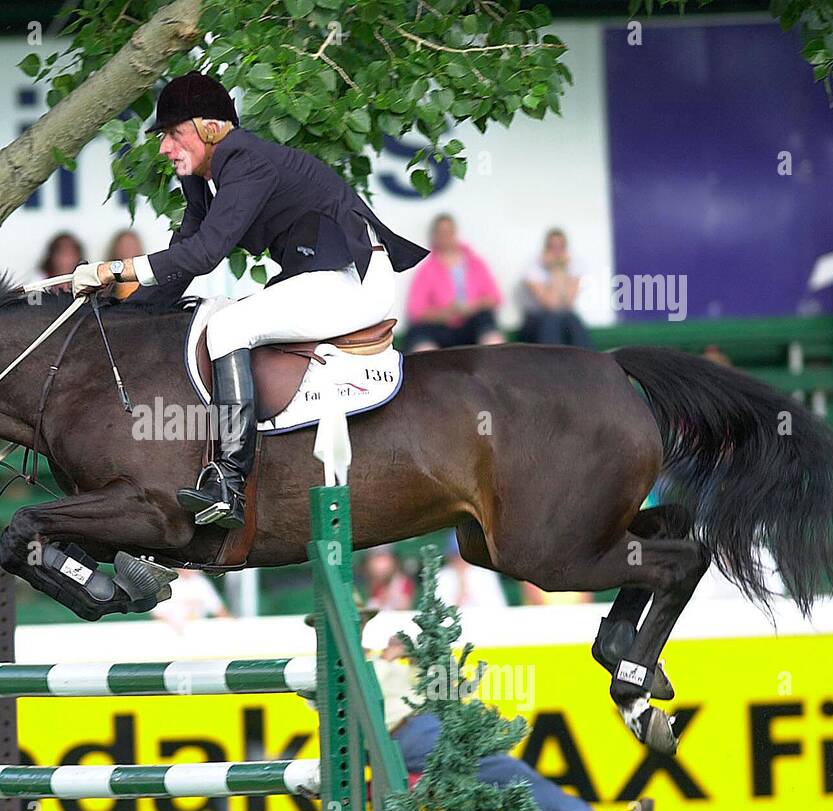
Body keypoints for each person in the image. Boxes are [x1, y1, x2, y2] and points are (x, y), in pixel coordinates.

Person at [70, 71, 429, 530]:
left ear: (211, 128)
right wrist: (124, 315)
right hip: (318, 275)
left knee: (228, 327)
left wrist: (114, 270)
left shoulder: (245, 159)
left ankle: (229, 483)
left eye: (173, 134)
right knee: (217, 317)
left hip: (352, 280)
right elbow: (187, 255)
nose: (164, 148)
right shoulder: (202, 176)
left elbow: (206, 252)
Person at [373, 634, 656, 811]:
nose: (359, 623)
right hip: (407, 732)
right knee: (507, 775)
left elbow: (446, 689)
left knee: (509, 778)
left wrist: (420, 660)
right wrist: (388, 660)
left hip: (432, 723)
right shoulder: (357, 667)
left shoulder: (376, 661)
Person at [403, 214, 505, 352]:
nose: (446, 237)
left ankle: (494, 362)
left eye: (449, 232)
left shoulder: (475, 263)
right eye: (441, 233)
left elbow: (495, 297)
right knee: (417, 333)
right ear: (435, 236)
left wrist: (471, 307)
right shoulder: (427, 268)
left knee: (487, 320)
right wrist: (444, 313)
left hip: (472, 324)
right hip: (441, 327)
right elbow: (416, 310)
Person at [520, 228, 593, 348]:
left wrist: (560, 269)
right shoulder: (532, 268)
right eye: (553, 247)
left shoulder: (575, 266)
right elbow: (551, 304)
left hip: (563, 318)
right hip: (536, 322)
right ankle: (553, 365)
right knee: (551, 320)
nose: (557, 253)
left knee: (573, 320)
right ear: (545, 248)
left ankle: (588, 362)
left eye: (561, 247)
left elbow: (568, 302)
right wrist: (556, 270)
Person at [363, 546, 415, 612]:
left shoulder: (402, 582)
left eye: (384, 558)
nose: (381, 564)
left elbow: (404, 607)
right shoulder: (374, 584)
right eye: (377, 559)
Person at [105, 229, 145, 301]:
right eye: (125, 246)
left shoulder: (147, 276)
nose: (129, 249)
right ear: (115, 249)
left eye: (132, 245)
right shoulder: (105, 278)